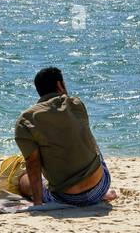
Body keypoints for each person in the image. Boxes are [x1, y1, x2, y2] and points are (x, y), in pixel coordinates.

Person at [14, 67, 117, 206]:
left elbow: (33, 163)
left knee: (22, 181)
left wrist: (38, 203)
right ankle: (102, 194)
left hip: (68, 198)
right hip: (100, 186)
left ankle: (26, 185)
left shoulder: (25, 120)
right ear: (59, 85)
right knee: (88, 139)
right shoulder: (76, 104)